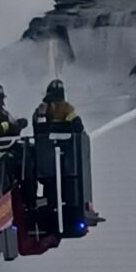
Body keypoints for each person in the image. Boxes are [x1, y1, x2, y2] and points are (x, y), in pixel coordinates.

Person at [31, 80, 103, 225]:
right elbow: (39, 131)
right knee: (49, 189)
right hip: (48, 164)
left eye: (54, 102)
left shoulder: (68, 112)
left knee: (63, 191)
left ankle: (57, 209)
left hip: (66, 164)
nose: (53, 105)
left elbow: (78, 127)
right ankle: (43, 208)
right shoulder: (42, 113)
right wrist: (42, 115)